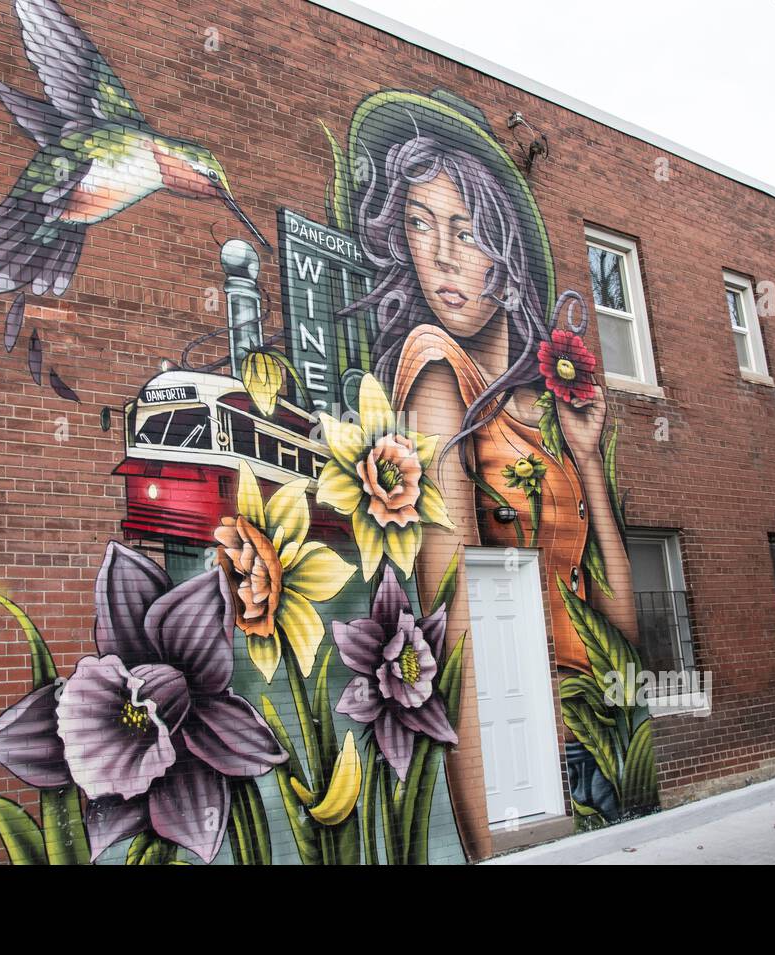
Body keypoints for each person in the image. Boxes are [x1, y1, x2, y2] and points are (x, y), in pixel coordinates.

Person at [340, 89, 640, 855]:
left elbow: (618, 628)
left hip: (593, 745)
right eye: (418, 223)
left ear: (503, 248)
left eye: (465, 231)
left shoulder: (547, 403)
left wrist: (586, 460)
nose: (438, 255)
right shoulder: (435, 369)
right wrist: (481, 846)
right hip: (521, 766)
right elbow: (457, 627)